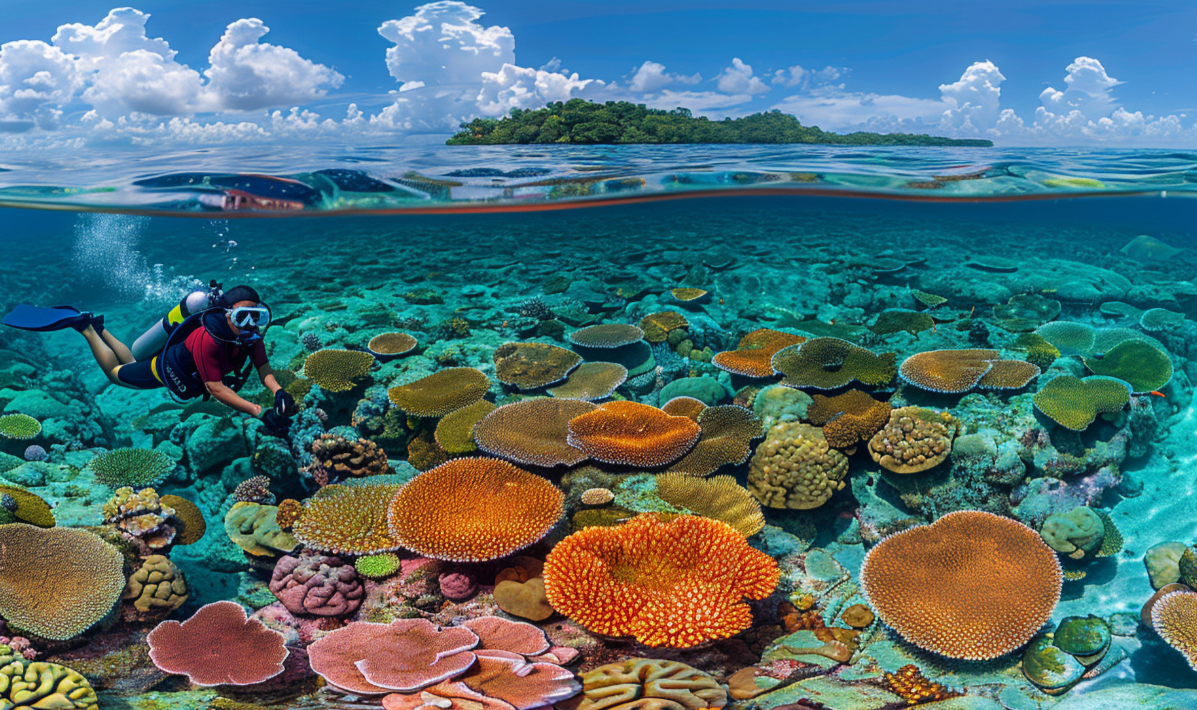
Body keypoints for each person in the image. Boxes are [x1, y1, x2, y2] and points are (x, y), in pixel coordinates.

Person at [2, 285, 294, 438]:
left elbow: (264, 370)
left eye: (256, 317)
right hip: (168, 369)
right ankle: (85, 328)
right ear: (226, 314)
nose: (250, 325)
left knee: (130, 358)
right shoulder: (209, 338)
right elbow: (215, 388)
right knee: (117, 374)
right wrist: (260, 412)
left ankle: (99, 325)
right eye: (242, 317)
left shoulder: (251, 337)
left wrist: (278, 392)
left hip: (179, 363)